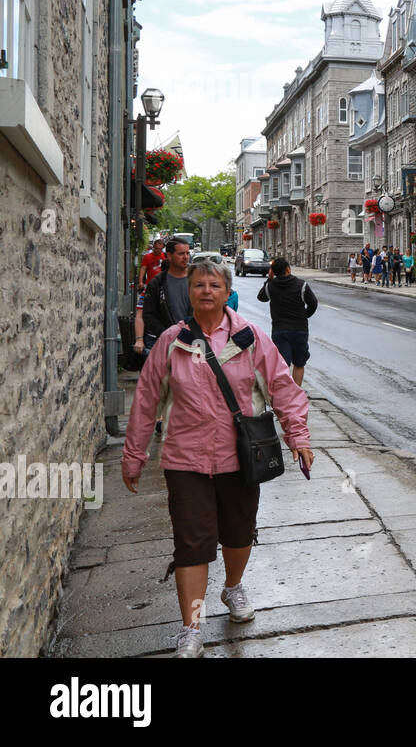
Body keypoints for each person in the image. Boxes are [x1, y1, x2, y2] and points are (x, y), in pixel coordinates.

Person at [122, 258, 311, 658]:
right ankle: (192, 625)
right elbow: (145, 400)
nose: (206, 291)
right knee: (191, 544)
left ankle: (233, 587)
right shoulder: (173, 342)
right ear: (188, 292)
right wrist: (134, 454)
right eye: (198, 285)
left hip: (241, 456)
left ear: (228, 292)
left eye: (214, 285)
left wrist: (298, 436)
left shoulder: (251, 337)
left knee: (239, 532)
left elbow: (282, 388)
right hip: (184, 458)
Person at [256, 257, 318, 387]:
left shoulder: (270, 286)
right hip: (300, 329)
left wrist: (269, 279)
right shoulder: (302, 285)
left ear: (273, 272)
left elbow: (261, 297)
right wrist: (304, 316)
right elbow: (313, 303)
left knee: (283, 364)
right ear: (288, 269)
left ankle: (284, 394)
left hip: (280, 330)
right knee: (299, 363)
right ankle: (296, 393)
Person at [140, 237, 193, 353]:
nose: (186, 257)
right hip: (166, 342)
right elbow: (148, 314)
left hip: (193, 341)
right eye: (181, 254)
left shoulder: (197, 279)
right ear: (169, 255)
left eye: (187, 253)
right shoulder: (157, 283)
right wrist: (166, 333)